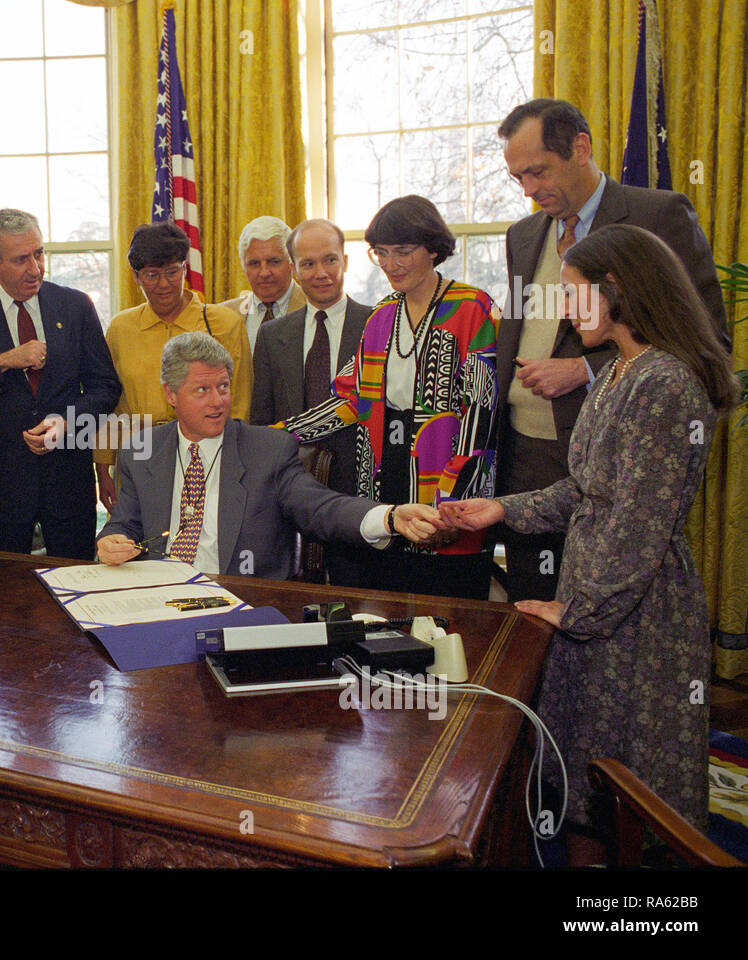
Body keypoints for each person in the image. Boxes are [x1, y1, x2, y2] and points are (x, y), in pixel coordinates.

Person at [439, 225, 737, 857]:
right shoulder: (617, 371)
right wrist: (500, 509)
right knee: (584, 782)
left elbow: (638, 522)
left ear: (619, 290)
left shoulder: (663, 383)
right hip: (596, 593)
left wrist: (578, 609)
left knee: (632, 792)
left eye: (574, 295)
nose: (565, 311)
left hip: (636, 612)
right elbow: (585, 490)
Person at [496, 98, 727, 602]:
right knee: (533, 606)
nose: (530, 191)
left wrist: (584, 368)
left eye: (538, 172)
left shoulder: (658, 215)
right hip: (521, 453)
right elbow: (518, 327)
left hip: (611, 457)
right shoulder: (522, 234)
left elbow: (704, 338)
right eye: (519, 179)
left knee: (602, 601)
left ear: (580, 149)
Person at [282, 196, 500, 599]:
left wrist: (452, 507)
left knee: (449, 630)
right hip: (383, 497)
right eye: (381, 252)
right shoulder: (382, 315)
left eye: (403, 251)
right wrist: (277, 435)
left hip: (449, 500)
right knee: (385, 623)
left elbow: (479, 420)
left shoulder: (472, 308)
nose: (390, 263)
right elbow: (349, 400)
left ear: (433, 248)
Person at [97, 332, 445, 579]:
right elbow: (123, 524)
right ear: (170, 394)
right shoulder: (139, 452)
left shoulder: (267, 449)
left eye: (223, 387)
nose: (218, 401)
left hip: (243, 598)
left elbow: (320, 507)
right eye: (201, 390)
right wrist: (109, 542)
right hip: (159, 594)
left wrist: (388, 517)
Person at [0, 208, 121, 560]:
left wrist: (65, 421)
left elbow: (105, 386)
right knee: (3, 598)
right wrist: (2, 362)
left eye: (39, 253)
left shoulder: (75, 305)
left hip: (68, 482)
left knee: (75, 585)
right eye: (20, 259)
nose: (35, 268)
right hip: (1, 487)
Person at [96, 222, 253, 512]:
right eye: (152, 275)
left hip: (207, 454)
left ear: (185, 267)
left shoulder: (223, 324)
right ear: (136, 277)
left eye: (172, 272)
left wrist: (227, 462)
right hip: (139, 458)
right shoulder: (121, 329)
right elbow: (113, 403)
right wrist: (103, 464)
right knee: (141, 543)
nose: (164, 284)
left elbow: (239, 403)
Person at [252, 218, 375, 586]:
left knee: (356, 598)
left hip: (361, 492)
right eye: (308, 264)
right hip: (294, 487)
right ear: (294, 269)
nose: (321, 273)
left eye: (330, 260)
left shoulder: (378, 325)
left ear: (346, 262)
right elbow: (263, 419)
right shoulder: (273, 335)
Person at [217, 216, 307, 349]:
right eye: (254, 263)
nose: (264, 273)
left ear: (291, 263)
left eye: (274, 262)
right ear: (244, 267)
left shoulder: (316, 310)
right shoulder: (222, 316)